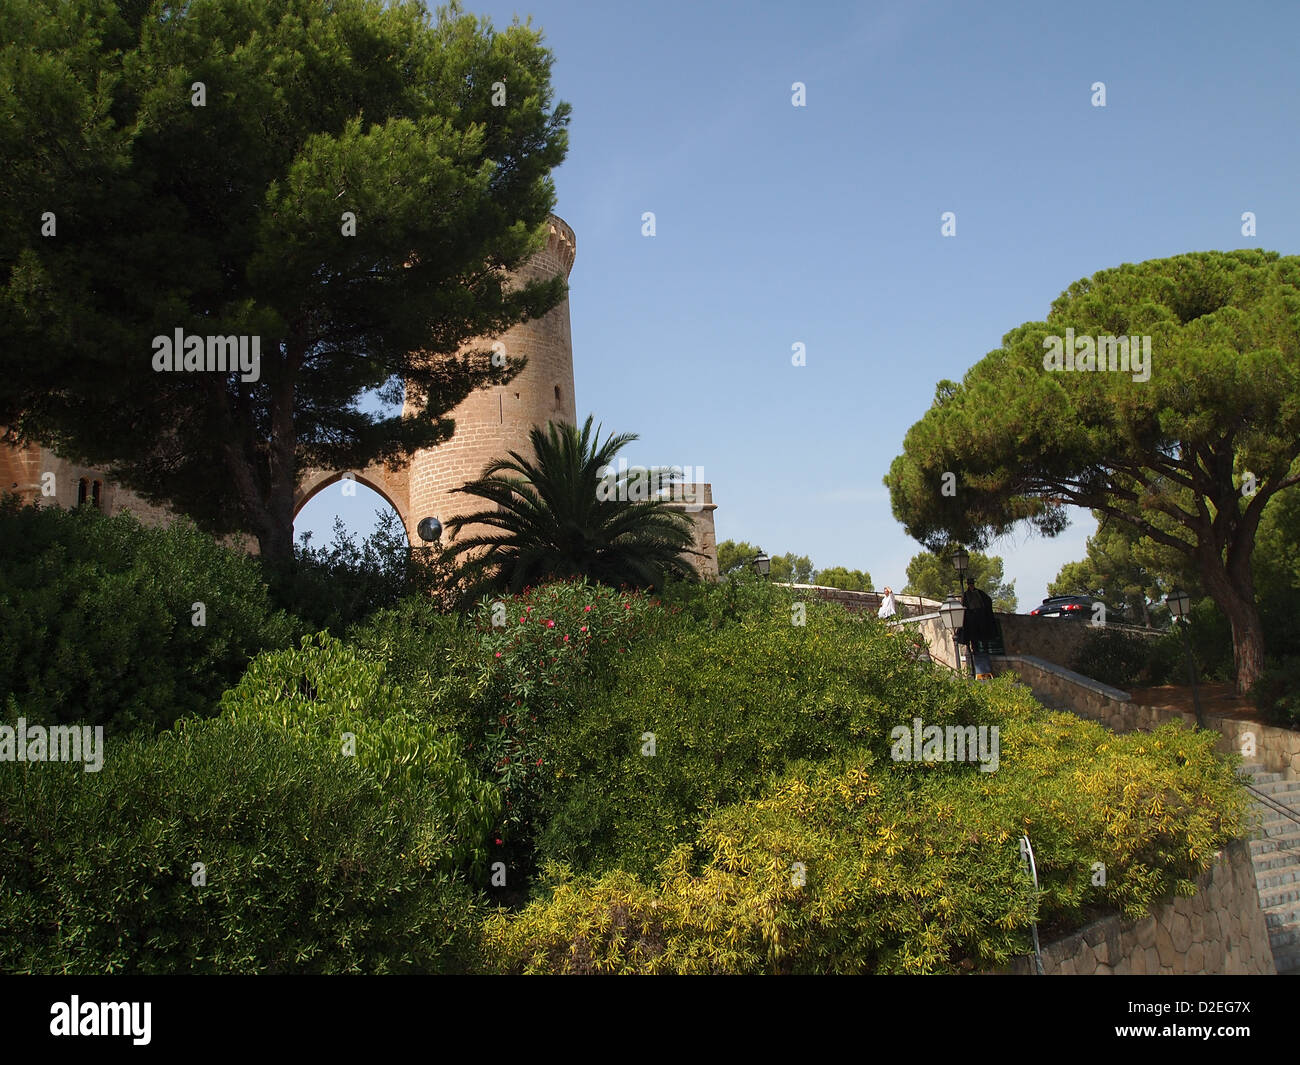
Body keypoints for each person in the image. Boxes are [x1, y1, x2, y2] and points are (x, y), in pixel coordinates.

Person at [961, 577, 995, 679]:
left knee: (983, 636)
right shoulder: (966, 595)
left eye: (972, 583)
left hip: (980, 617)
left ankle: (985, 650)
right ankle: (975, 651)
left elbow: (987, 601)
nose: (970, 585)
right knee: (974, 638)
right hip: (972, 619)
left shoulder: (979, 593)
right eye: (969, 583)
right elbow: (964, 606)